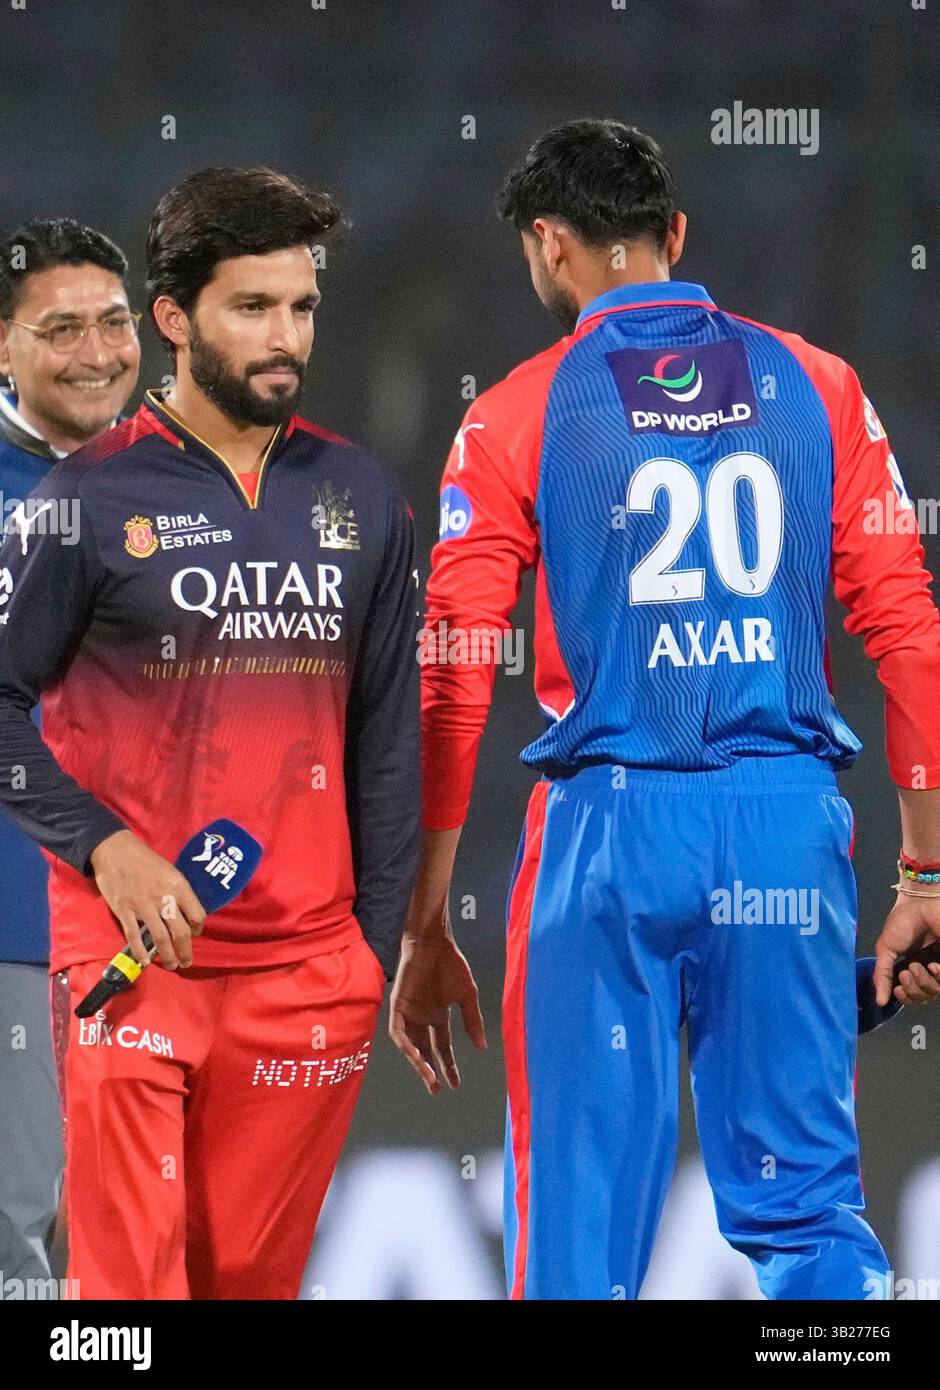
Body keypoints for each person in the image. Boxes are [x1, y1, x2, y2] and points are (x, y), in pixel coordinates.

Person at [390, 119, 940, 1300]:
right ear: (674, 235)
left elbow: (455, 664)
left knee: (581, 1240)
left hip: (608, 835)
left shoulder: (514, 412)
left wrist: (426, 917)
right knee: (806, 1218)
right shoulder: (822, 385)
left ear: (549, 245)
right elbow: (908, 631)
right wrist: (927, 876)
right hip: (790, 822)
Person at [0, 167, 420, 1299]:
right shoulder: (80, 500)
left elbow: (388, 733)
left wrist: (367, 951)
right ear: (175, 320)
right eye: (254, 308)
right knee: (129, 1302)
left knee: (244, 1285)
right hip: (135, 967)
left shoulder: (363, 497)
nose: (286, 337)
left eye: (302, 307)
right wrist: (103, 844)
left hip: (308, 979)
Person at [0, 218, 140, 1291]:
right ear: (3, 347)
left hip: (156, 936)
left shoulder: (188, 478)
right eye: (61, 330)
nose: (97, 353)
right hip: (16, 930)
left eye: (113, 322)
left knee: (132, 1254)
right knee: (21, 1246)